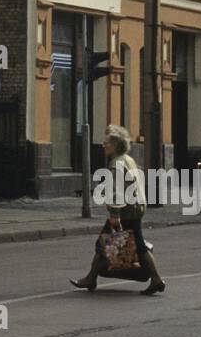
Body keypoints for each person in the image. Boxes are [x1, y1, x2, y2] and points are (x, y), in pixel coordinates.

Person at [71, 125, 165, 295]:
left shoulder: (117, 164)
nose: (103, 145)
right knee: (138, 244)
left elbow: (117, 190)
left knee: (103, 244)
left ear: (115, 145)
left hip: (125, 211)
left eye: (107, 142)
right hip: (135, 207)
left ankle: (90, 278)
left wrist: (115, 214)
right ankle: (156, 279)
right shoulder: (127, 159)